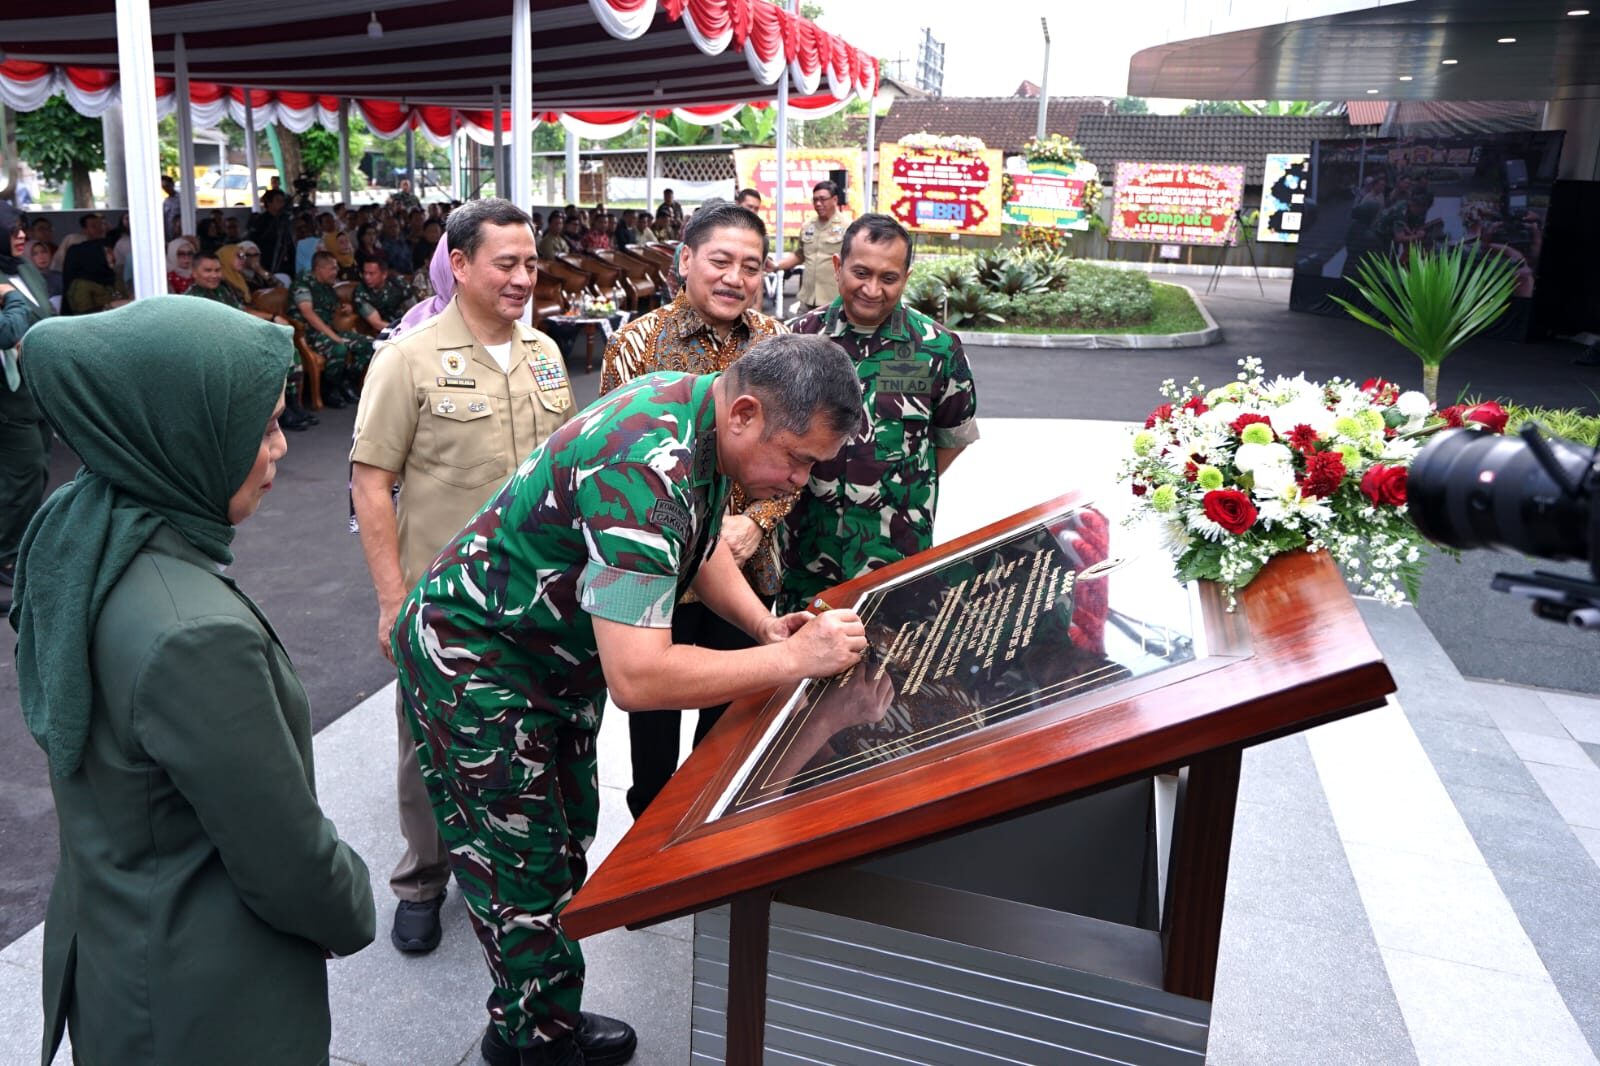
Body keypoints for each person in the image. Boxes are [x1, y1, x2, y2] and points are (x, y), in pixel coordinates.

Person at [392, 332, 866, 1066]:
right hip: (479, 662)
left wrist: (767, 627)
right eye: (800, 459)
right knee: (522, 865)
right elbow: (641, 678)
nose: (803, 480)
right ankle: (538, 1043)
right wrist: (791, 661)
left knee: (565, 835)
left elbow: (696, 543)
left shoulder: (697, 416)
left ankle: (530, 1013)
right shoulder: (644, 463)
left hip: (549, 661)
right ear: (745, 413)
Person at [14, 297, 376, 1066]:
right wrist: (355, 902)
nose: (279, 447)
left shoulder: (82, 533)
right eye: (264, 425)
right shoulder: (194, 633)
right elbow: (284, 857)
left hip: (121, 961)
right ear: (180, 429)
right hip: (206, 1006)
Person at [350, 198, 575, 962]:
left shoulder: (545, 353)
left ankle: (520, 876)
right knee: (427, 749)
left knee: (530, 741)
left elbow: (565, 472)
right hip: (440, 606)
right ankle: (421, 881)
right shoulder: (407, 358)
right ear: (462, 263)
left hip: (538, 602)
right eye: (506, 263)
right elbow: (370, 482)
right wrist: (390, 601)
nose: (522, 278)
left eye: (531, 263)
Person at [597, 202, 792, 816]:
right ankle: (648, 845)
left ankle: (707, 845)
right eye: (721, 261)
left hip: (748, 571)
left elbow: (796, 463)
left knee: (730, 727)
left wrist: (754, 523)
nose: (736, 277)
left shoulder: (778, 348)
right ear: (685, 261)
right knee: (652, 729)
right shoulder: (637, 344)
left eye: (752, 266)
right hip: (658, 574)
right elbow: (610, 458)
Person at [780, 213, 980, 613]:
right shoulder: (796, 341)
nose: (872, 289)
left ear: (905, 277)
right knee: (802, 666)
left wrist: (892, 485)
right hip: (809, 559)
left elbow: (952, 437)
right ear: (838, 268)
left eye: (888, 278)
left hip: (898, 557)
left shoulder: (936, 348)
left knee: (896, 669)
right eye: (861, 273)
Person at [0, 205, 54, 604]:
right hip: (7, 393)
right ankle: (7, 555)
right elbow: (8, 333)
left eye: (22, 229)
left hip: (36, 385)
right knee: (24, 471)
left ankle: (22, 545)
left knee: (39, 468)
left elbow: (43, 318)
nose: (22, 237)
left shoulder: (24, 268)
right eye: (12, 231)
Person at [290, 250, 373, 408]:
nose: (336, 271)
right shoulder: (303, 284)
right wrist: (333, 336)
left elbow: (332, 306)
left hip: (328, 330)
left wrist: (345, 308)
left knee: (369, 343)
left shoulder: (326, 287)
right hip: (309, 334)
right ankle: (330, 389)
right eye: (332, 268)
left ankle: (346, 381)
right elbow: (308, 313)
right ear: (319, 269)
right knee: (339, 347)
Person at [768, 180, 847, 316]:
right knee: (800, 335)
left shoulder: (847, 227)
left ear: (835, 199)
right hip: (807, 299)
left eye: (822, 199)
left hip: (833, 300)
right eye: (815, 199)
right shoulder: (807, 226)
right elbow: (800, 255)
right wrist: (776, 266)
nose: (818, 204)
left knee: (829, 337)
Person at [354, 254, 417, 333]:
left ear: (384, 274)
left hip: (408, 322)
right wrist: (402, 329)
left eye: (371, 273)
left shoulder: (398, 283)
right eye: (365, 273)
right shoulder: (361, 292)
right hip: (389, 330)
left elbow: (415, 308)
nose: (366, 277)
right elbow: (377, 323)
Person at [248, 189, 296, 282]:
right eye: (278, 201)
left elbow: (289, 245)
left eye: (283, 201)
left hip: (285, 266)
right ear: (269, 203)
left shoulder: (285, 220)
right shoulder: (260, 221)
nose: (281, 204)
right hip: (266, 264)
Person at [161, 173, 182, 240]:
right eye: (163, 187)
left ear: (172, 184)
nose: (166, 189)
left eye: (167, 186)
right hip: (169, 234)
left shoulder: (181, 198)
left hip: (180, 232)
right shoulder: (166, 202)